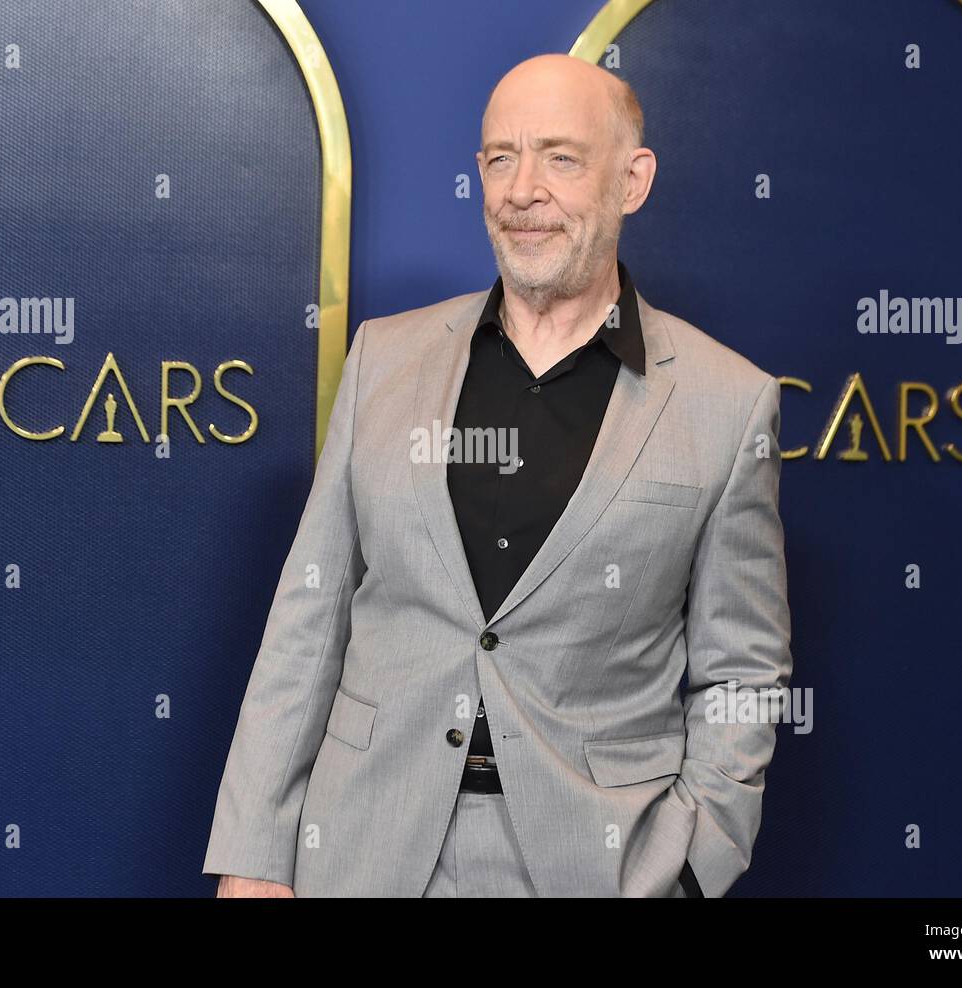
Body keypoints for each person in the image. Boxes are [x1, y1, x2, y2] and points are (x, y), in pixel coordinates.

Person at [204, 53, 792, 897]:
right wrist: (254, 857)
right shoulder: (384, 358)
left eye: (560, 156)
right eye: (499, 158)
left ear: (632, 181)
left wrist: (697, 862)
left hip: (595, 866)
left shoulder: (728, 403)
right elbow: (308, 617)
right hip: (363, 850)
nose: (522, 190)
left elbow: (744, 671)